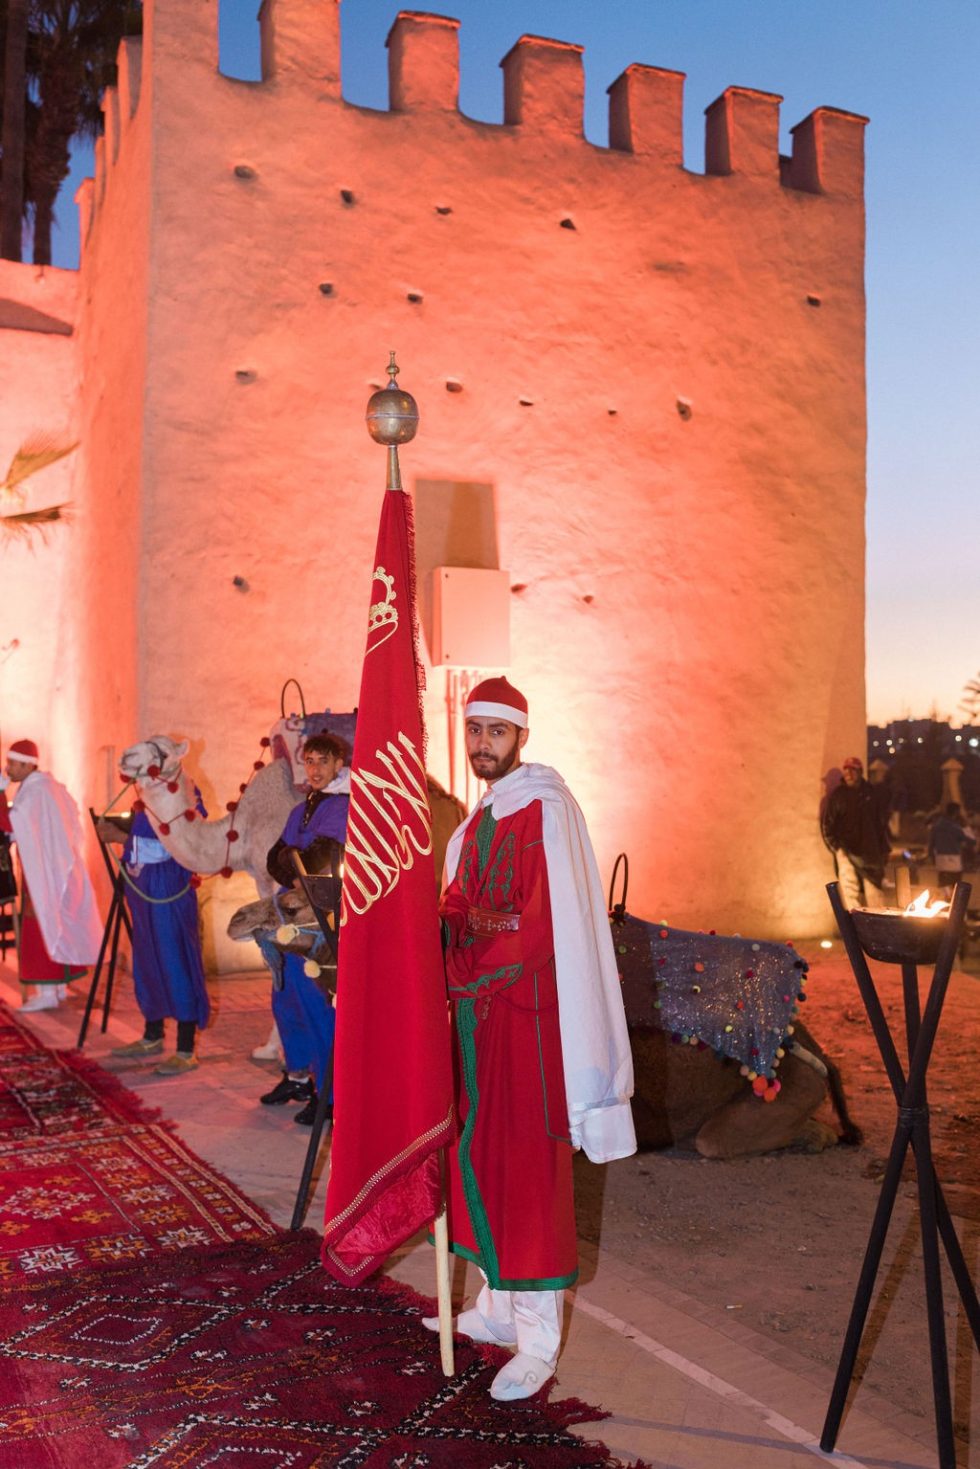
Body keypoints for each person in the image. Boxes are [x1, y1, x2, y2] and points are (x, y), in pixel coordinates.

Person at [425, 677, 636, 1401]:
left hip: (530, 1024)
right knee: (478, 1155)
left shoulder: (544, 810)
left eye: (496, 731)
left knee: (528, 1175)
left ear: (521, 735)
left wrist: (465, 967)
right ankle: (493, 1306)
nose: (483, 742)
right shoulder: (478, 820)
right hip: (479, 1023)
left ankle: (538, 1340)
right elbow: (462, 908)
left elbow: (536, 928)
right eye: (475, 729)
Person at [257, 733, 349, 1125]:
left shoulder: (343, 806)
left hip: (320, 923)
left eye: (322, 762)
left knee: (317, 1003)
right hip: (289, 918)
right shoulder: (302, 809)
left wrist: (292, 862)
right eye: (309, 761)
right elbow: (272, 860)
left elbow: (319, 860)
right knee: (286, 998)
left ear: (338, 765)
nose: (314, 769)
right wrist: (292, 864)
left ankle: (329, 1092)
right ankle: (297, 1077)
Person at [97, 767, 210, 1076]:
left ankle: (186, 1049)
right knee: (147, 963)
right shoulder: (146, 797)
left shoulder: (181, 795)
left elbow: (169, 845)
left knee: (176, 963)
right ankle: (152, 1034)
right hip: (143, 893)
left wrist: (119, 837)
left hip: (169, 892)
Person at [0, 739, 101, 1010]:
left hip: (45, 871)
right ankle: (57, 987)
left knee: (41, 925)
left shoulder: (36, 791)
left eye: (12, 764)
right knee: (56, 923)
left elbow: (11, 822)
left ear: (26, 763)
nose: (8, 769)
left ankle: (46, 991)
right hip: (56, 868)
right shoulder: (47, 787)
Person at [821, 755, 890, 910]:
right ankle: (853, 925)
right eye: (846, 771)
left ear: (860, 772)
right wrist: (838, 848)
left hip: (870, 851)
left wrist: (884, 848)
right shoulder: (839, 796)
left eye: (852, 771)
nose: (849, 774)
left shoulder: (870, 794)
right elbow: (828, 825)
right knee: (849, 890)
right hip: (846, 849)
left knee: (874, 888)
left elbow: (880, 823)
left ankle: (876, 924)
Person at [927, 803, 974, 898]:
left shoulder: (937, 825)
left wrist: (931, 856)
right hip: (954, 860)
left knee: (943, 885)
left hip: (940, 859)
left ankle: (943, 903)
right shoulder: (956, 827)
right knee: (956, 887)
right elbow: (972, 841)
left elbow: (931, 844)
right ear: (956, 813)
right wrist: (965, 825)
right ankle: (953, 905)